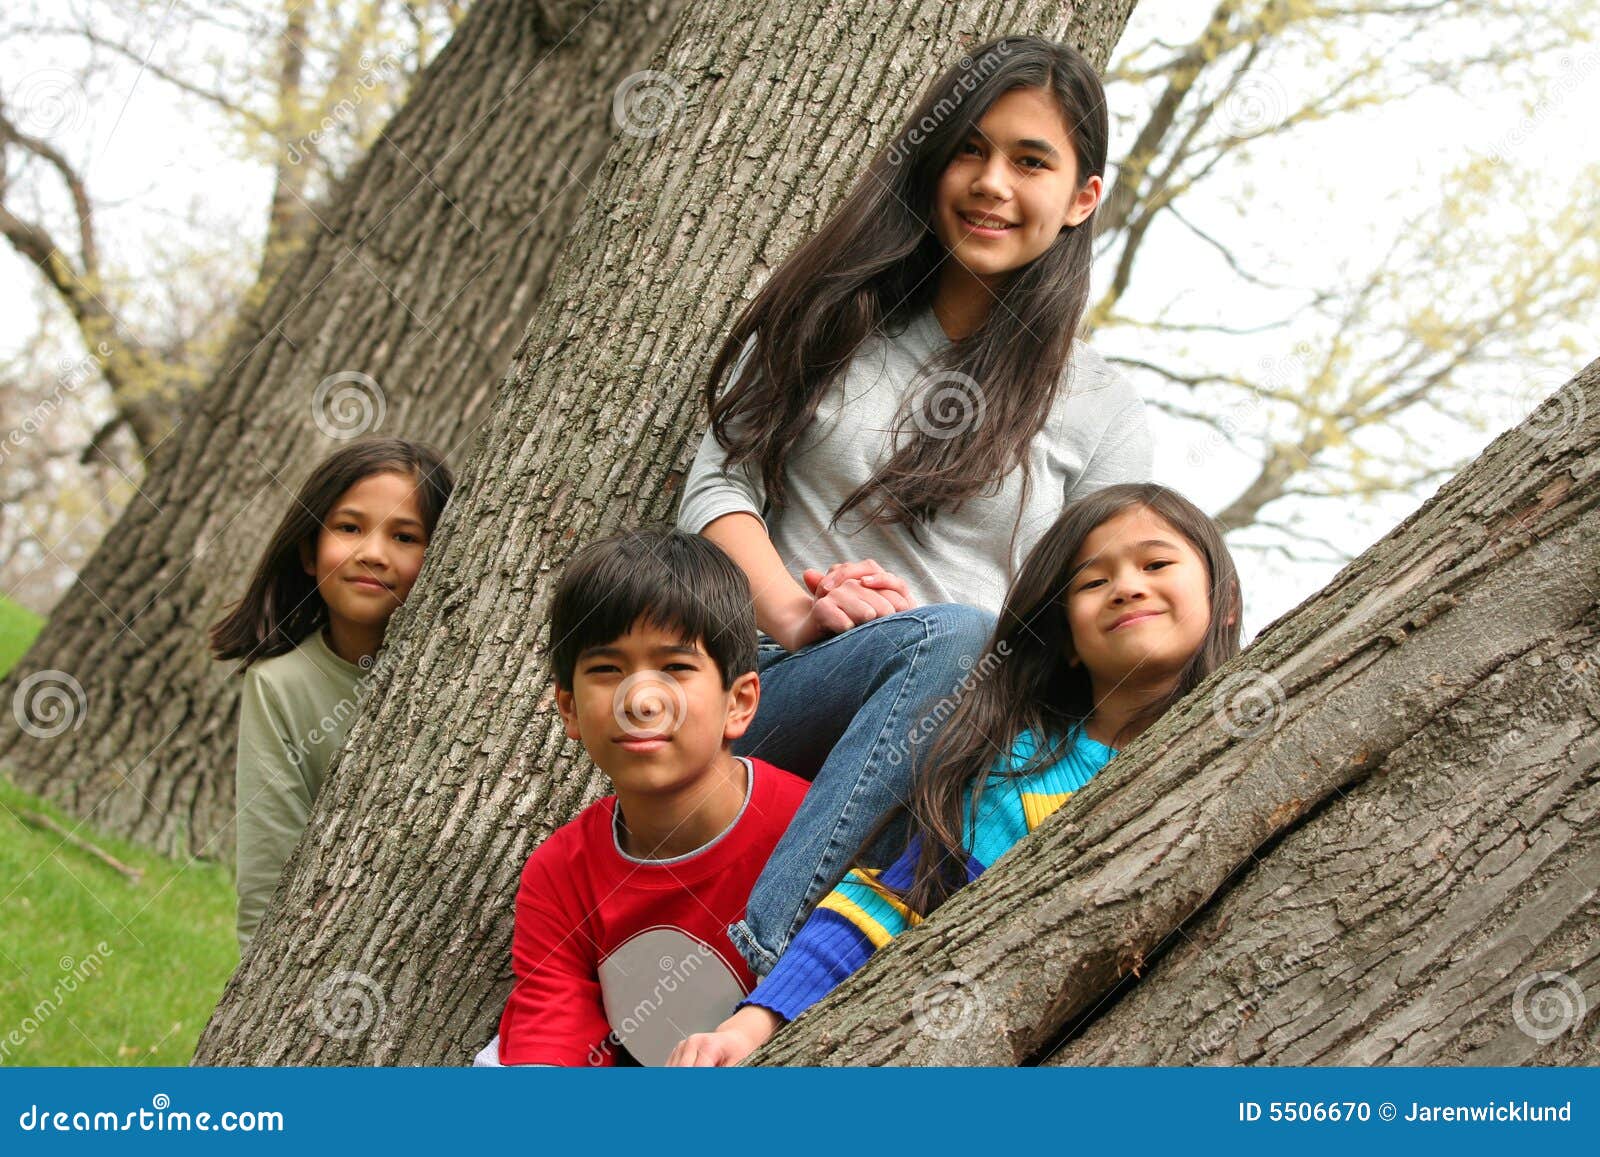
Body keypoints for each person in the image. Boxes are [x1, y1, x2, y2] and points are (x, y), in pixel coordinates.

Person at [677, 34, 1152, 980]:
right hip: (773, 688)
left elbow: (1100, 595)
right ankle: (751, 961)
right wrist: (794, 611)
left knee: (971, 650)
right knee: (959, 640)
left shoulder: (1101, 408)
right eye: (970, 149)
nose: (990, 182)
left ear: (1082, 199)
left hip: (965, 744)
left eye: (1030, 161)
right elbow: (717, 481)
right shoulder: (832, 314)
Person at [667, 483, 1243, 1065]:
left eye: (1157, 563)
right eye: (1093, 582)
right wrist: (751, 1024)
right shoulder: (1017, 771)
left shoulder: (1238, 756)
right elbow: (892, 901)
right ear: (1067, 640)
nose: (1127, 587)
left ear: (1225, 605)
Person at [473, 527, 809, 1067]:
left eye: (676, 668)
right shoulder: (561, 872)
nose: (642, 701)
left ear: (740, 702)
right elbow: (551, 1042)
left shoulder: (811, 827)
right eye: (607, 671)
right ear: (569, 709)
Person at [210, 437, 454, 952]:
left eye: (405, 536)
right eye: (348, 528)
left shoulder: (462, 671)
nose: (373, 554)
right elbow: (268, 854)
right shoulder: (280, 686)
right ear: (308, 549)